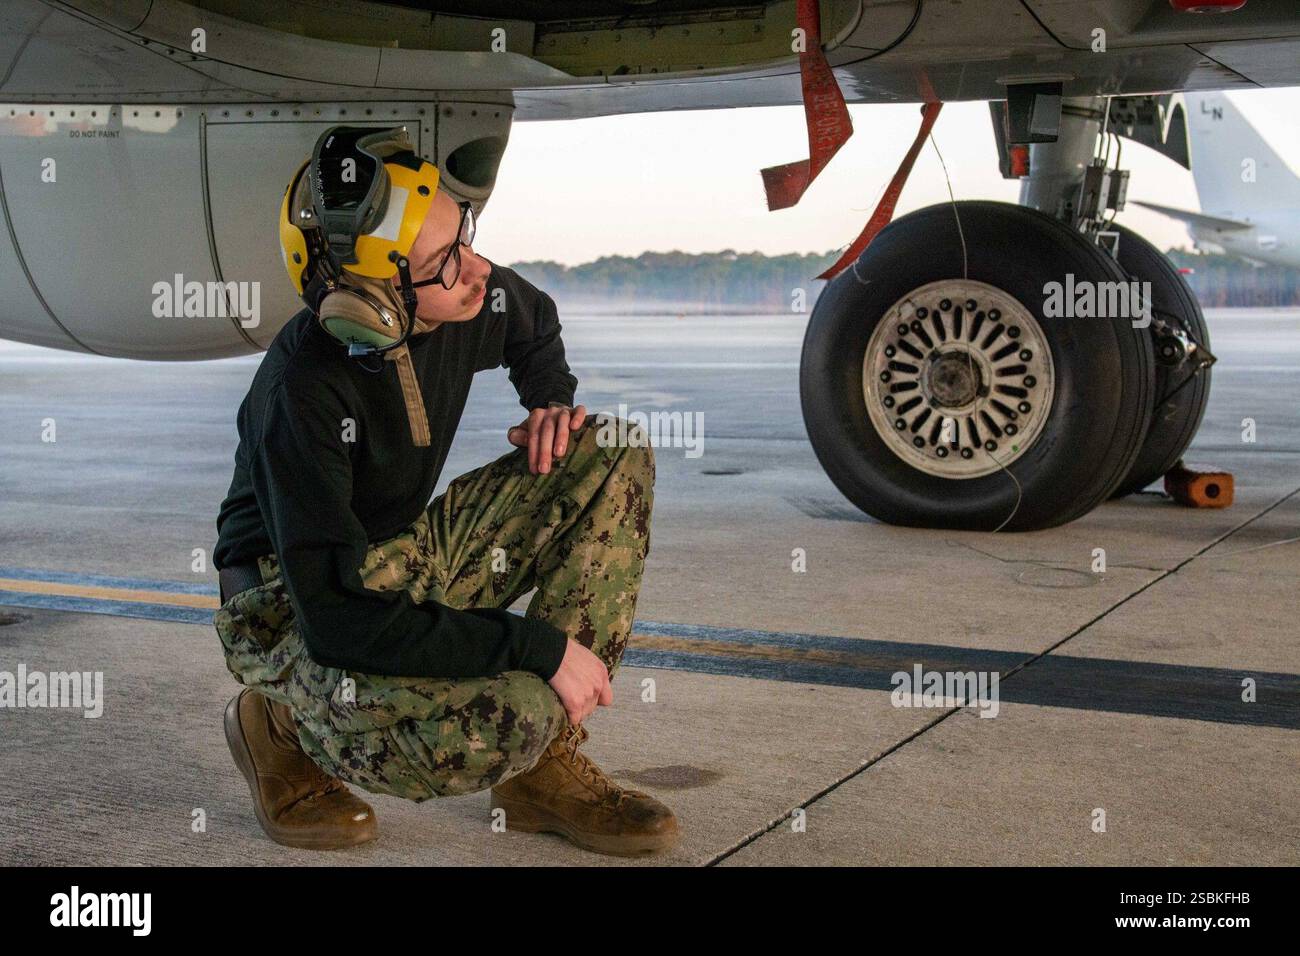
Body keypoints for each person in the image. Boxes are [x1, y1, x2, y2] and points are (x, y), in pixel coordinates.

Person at [211, 126, 677, 857]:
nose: (478, 268)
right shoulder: (301, 396)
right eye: (446, 261)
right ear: (374, 303)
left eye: (465, 236)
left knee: (609, 452)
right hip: (294, 608)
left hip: (402, 553)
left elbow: (533, 319)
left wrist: (549, 402)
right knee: (513, 712)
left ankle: (540, 774)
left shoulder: (465, 300)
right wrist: (534, 646)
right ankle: (277, 723)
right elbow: (336, 618)